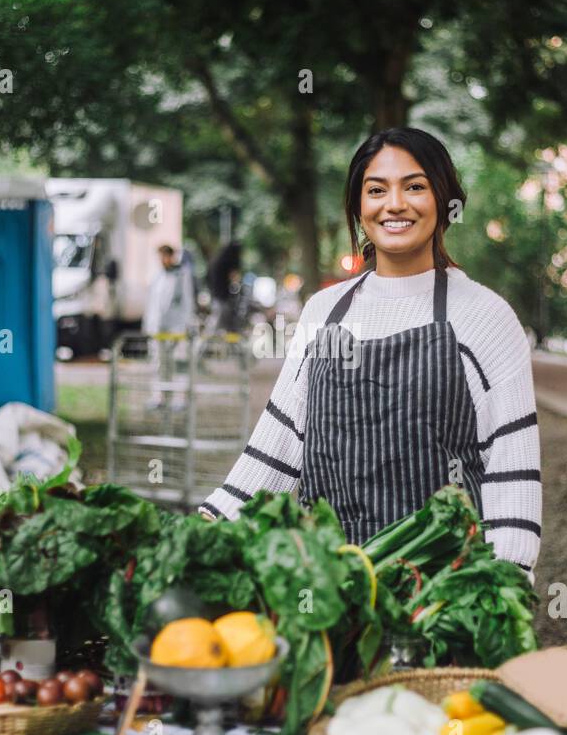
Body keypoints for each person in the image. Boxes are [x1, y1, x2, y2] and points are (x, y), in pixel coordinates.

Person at [198, 128, 542, 576]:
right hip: (331, 588)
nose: (394, 204)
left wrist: (503, 590)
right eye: (376, 190)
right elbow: (277, 447)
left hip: (442, 593)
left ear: (443, 200)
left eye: (414, 187)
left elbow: (512, 473)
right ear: (359, 208)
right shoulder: (324, 313)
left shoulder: (485, 317)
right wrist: (205, 529)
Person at [142, 244, 195, 337]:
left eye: (164, 256)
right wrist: (147, 325)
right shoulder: (157, 277)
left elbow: (188, 300)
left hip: (176, 326)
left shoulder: (182, 275)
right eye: (161, 256)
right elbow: (151, 303)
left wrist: (187, 322)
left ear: (171, 256)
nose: (162, 260)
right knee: (156, 351)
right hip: (157, 325)